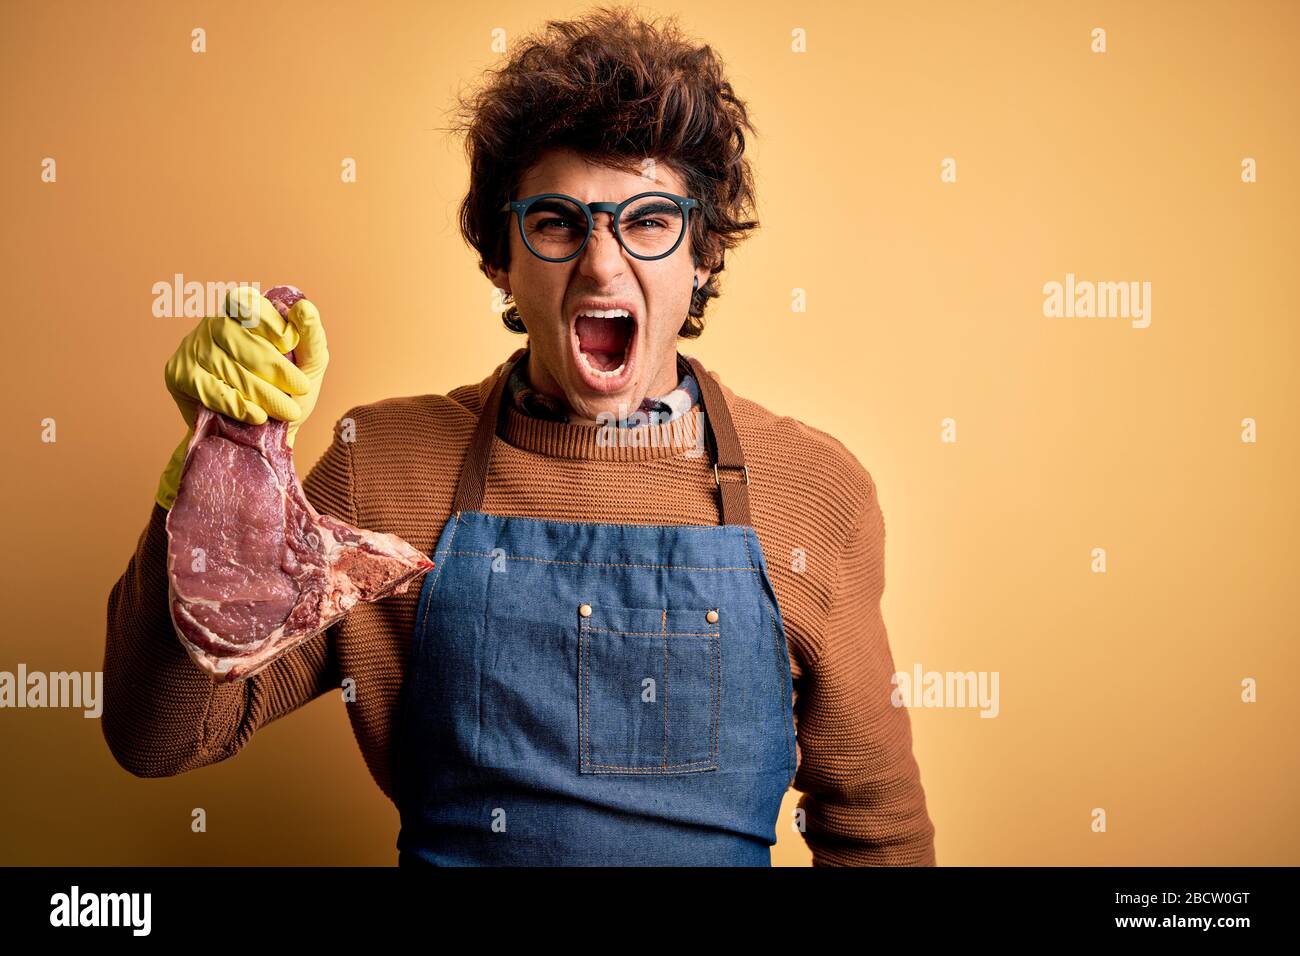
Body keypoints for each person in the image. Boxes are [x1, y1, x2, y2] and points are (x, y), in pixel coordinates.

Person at [102, 5, 936, 866]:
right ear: (499, 255)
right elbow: (159, 739)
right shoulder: (381, 468)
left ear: (706, 253)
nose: (603, 265)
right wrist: (211, 476)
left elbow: (876, 830)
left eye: (650, 220)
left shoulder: (813, 492)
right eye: (557, 222)